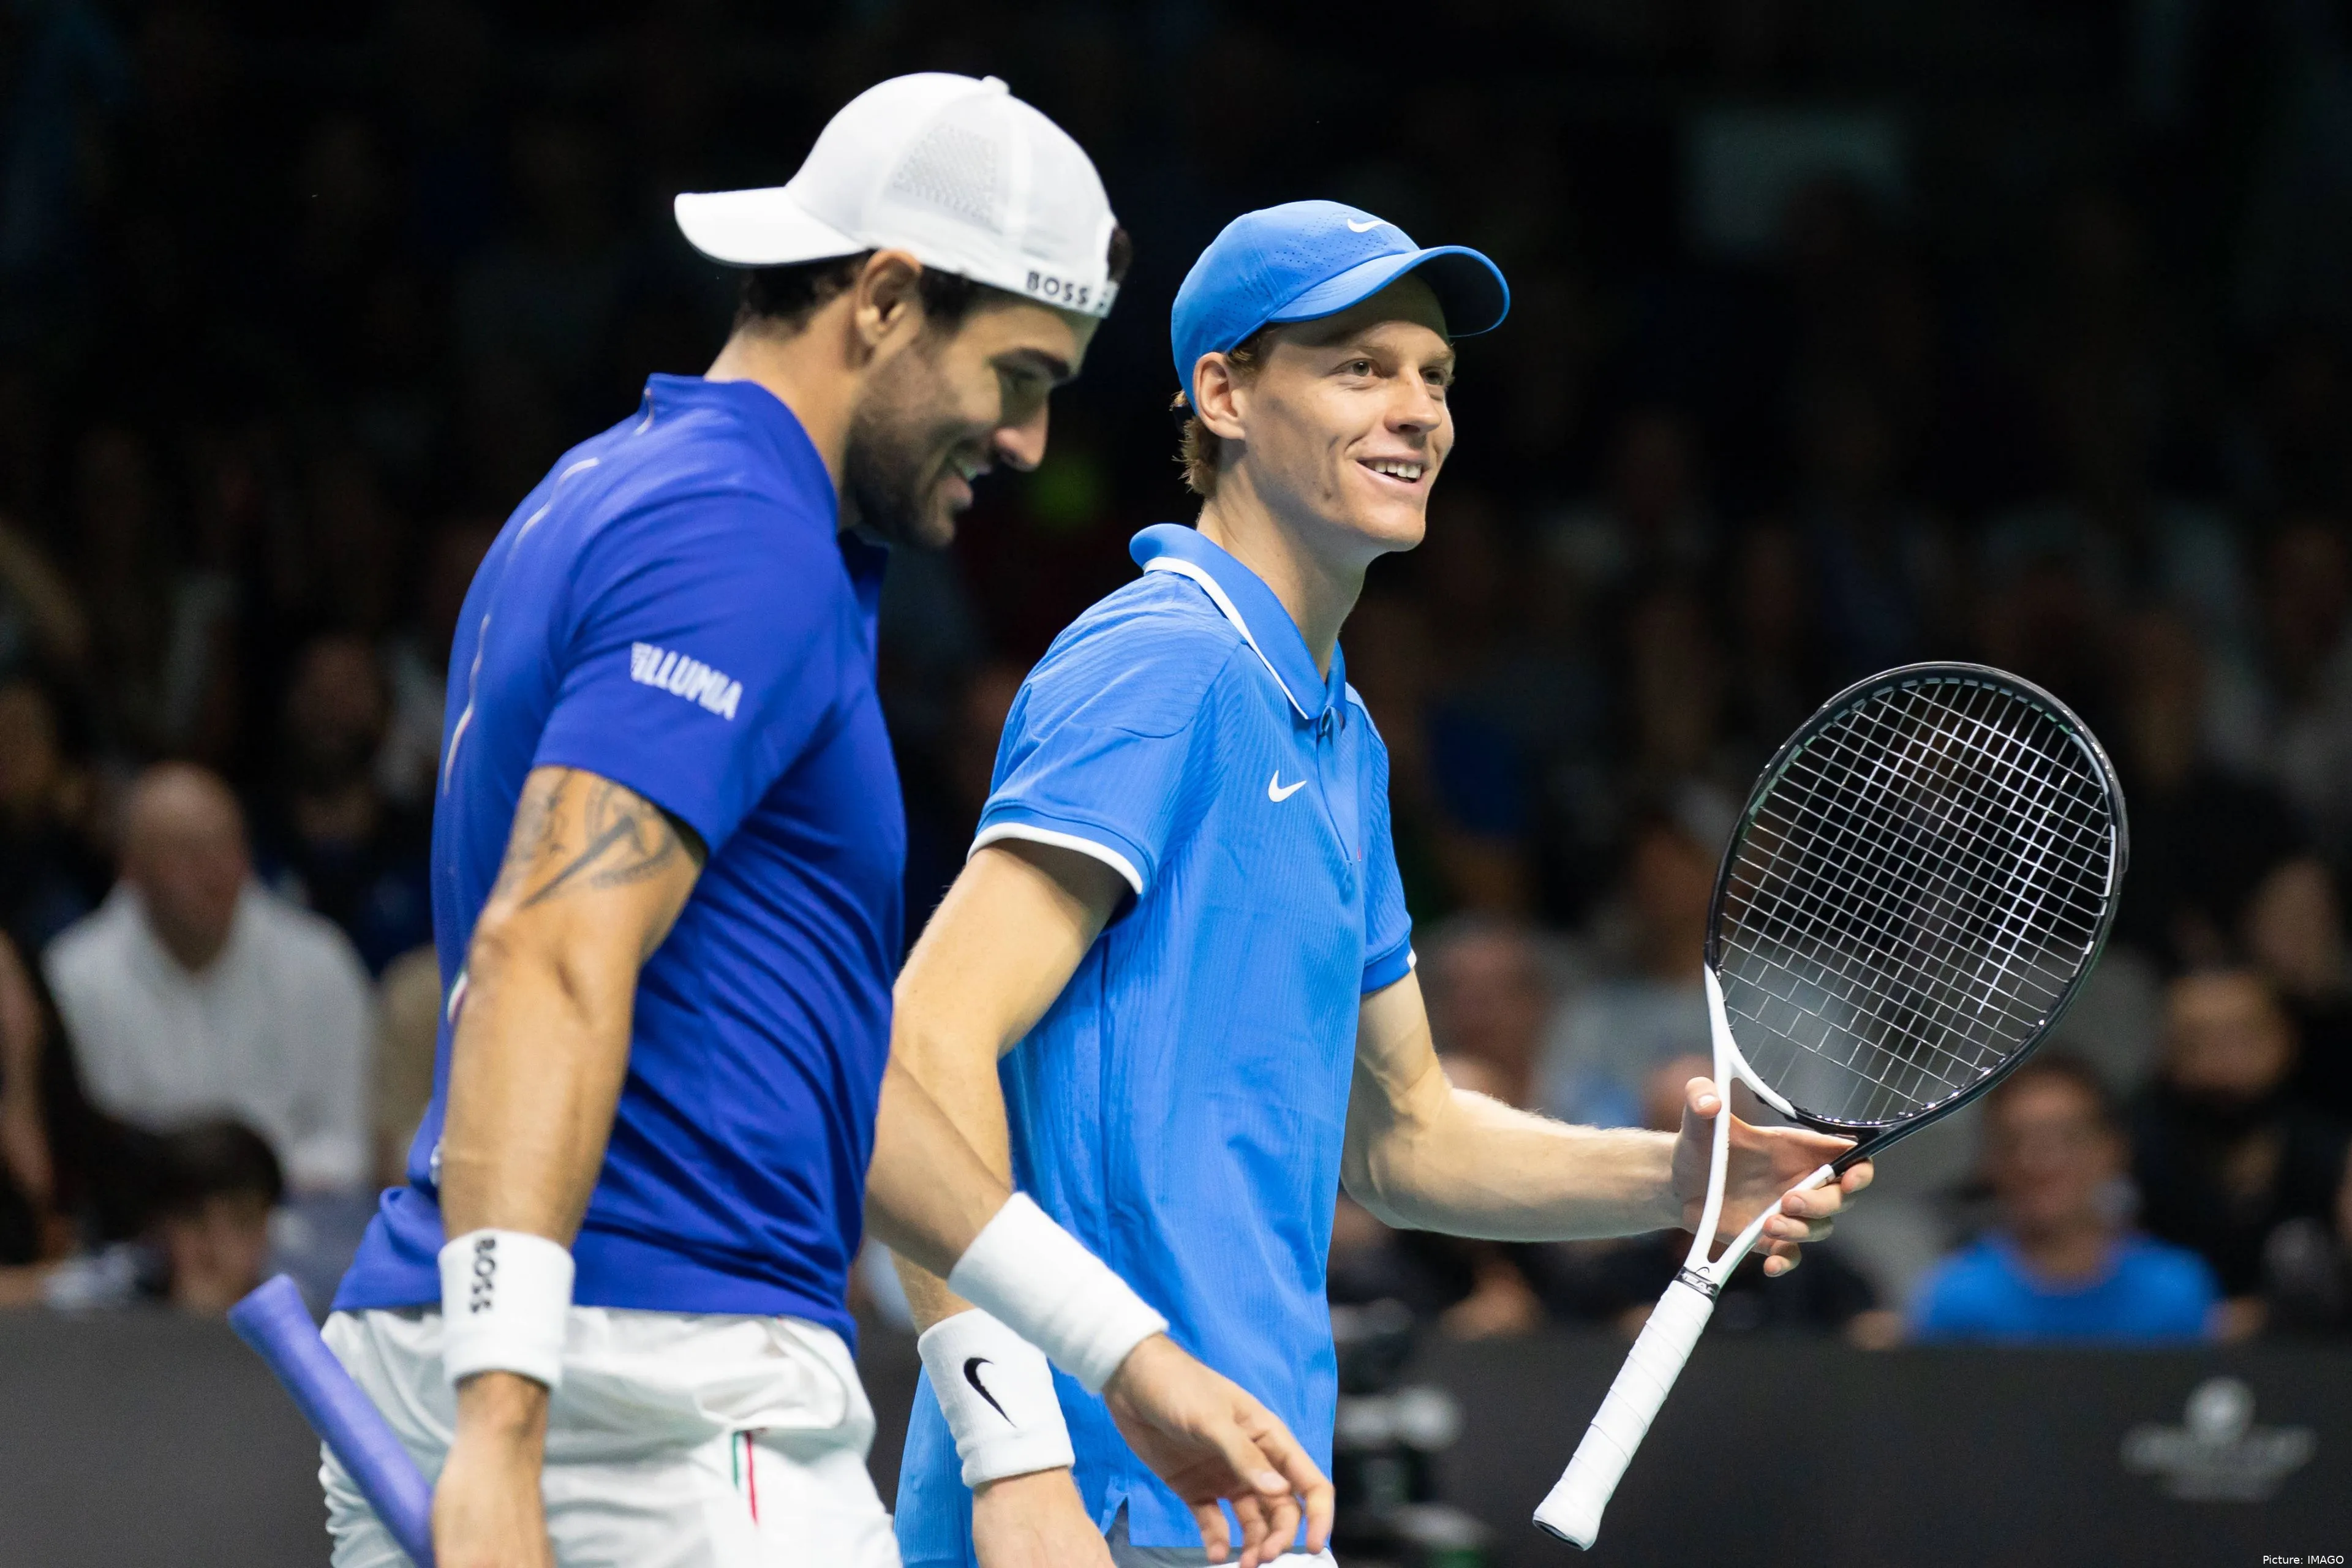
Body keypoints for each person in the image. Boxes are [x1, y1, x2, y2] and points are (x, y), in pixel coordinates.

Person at [327, 77, 1327, 1568]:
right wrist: (503, 1421)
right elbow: (548, 948)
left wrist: (1118, 1349)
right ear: (881, 299)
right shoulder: (738, 542)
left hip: (570, 1367)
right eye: (1017, 376)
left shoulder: (610, 495)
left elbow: (824, 1075)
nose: (1031, 443)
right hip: (651, 1398)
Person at [888, 202, 1871, 1568]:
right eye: (1361, 366)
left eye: (1436, 376)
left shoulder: (1340, 738)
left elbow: (1404, 1137)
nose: (1417, 409)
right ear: (1224, 395)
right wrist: (1014, 1463)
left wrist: (1684, 1176)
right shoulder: (1161, 666)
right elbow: (924, 1049)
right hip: (1093, 1494)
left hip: (1253, 1494)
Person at [42, 763, 372, 1194]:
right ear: (131, 868)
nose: (215, 872)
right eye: (187, 853)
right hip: (135, 1224)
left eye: (227, 847)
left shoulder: (322, 963)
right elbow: (76, 1155)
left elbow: (351, 1142)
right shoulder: (71, 978)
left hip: (302, 1223)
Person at [1910, 1055, 2218, 1344]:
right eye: (2016, 1141)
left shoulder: (2175, 1290)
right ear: (1990, 1162)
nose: (2040, 1161)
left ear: (2112, 1148)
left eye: (2066, 1138)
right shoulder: (1958, 1298)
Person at [2132, 969, 2352, 1311]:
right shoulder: (2128, 1162)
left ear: (2287, 1040)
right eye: (2196, 1042)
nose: (2221, 1064)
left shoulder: (2337, 1162)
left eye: (2242, 1039)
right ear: (2165, 1052)